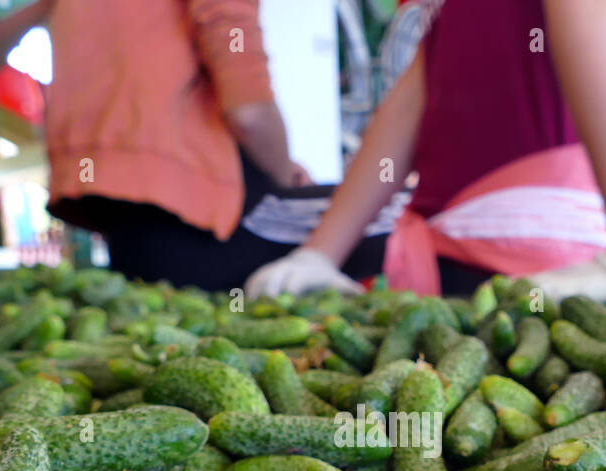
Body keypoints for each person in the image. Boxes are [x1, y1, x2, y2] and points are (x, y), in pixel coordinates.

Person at [246, 0, 606, 300]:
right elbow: (410, 101)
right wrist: (319, 255)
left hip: (542, 253)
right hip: (447, 250)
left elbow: (590, 21)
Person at [44, 0, 381, 291]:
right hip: (197, 218)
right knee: (389, 212)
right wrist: (285, 177)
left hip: (121, 221)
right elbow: (248, 113)